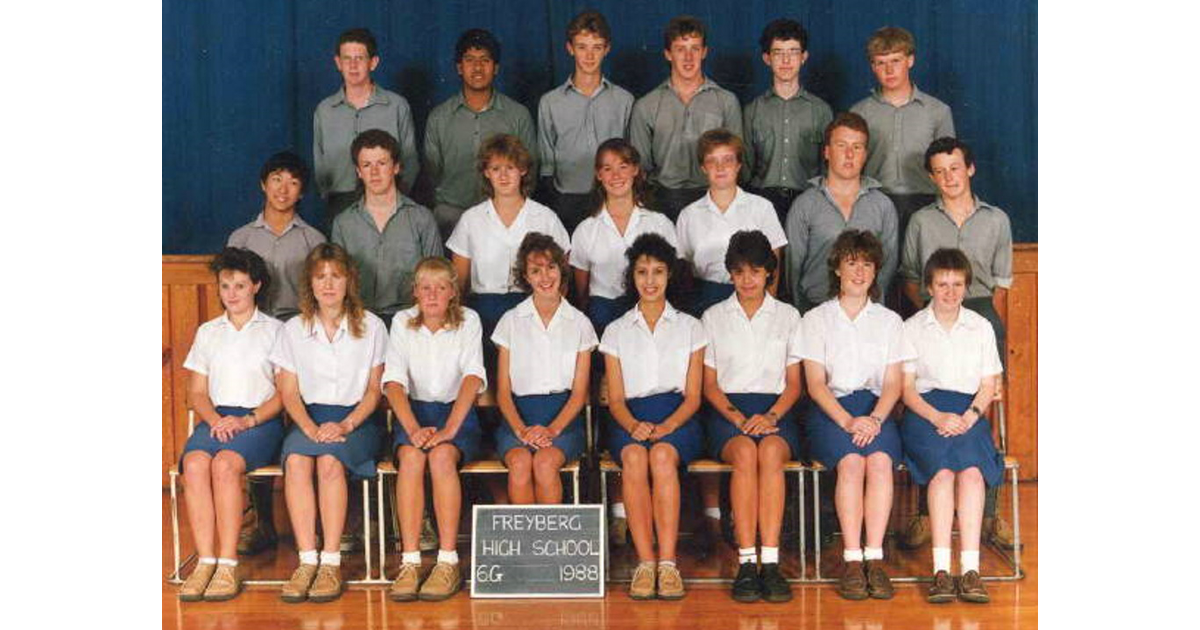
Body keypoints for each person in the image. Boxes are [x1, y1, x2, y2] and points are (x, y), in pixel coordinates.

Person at [898, 137, 1015, 551]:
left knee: (987, 412)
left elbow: (1000, 286)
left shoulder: (996, 219)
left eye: (955, 168)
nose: (949, 177)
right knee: (935, 417)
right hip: (934, 312)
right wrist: (937, 314)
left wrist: (975, 316)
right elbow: (912, 276)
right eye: (940, 170)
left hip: (980, 313)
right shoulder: (921, 221)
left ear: (970, 169)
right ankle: (929, 515)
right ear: (931, 176)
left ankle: (989, 515)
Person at [271, 243, 388, 603]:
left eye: (335, 276)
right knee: (296, 460)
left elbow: (373, 391)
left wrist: (346, 425)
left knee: (329, 462)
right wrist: (308, 428)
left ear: (349, 280)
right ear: (310, 282)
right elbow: (289, 393)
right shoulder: (293, 329)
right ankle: (307, 561)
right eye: (320, 277)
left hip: (358, 420)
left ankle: (330, 562)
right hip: (310, 418)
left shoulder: (372, 326)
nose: (328, 284)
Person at [226, 151, 326, 556]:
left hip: (302, 336)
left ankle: (315, 525)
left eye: (293, 182)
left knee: (306, 421)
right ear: (263, 185)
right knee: (260, 420)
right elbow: (232, 296)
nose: (284, 190)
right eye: (276, 180)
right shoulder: (242, 238)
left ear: (302, 191)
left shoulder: (313, 239)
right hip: (259, 337)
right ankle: (263, 521)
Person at [800, 230, 906, 601]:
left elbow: (893, 383)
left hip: (876, 409)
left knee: (878, 462)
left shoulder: (890, 321)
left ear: (876, 271)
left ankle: (873, 559)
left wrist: (875, 419)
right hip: (832, 410)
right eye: (851, 263)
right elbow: (814, 384)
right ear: (837, 269)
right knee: (850, 463)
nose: (859, 272)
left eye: (866, 264)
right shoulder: (815, 319)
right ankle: (850, 558)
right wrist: (847, 421)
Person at [600, 233, 706, 600]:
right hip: (629, 417)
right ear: (632, 277)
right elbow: (614, 398)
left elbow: (694, 396)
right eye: (642, 271)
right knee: (633, 457)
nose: (650, 280)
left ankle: (668, 563)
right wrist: (633, 425)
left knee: (661, 456)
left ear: (670, 276)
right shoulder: (615, 331)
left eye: (658, 271)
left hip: (678, 418)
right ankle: (645, 563)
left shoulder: (691, 326)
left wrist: (667, 426)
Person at [700, 230, 803, 603]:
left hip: (777, 410)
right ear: (730, 273)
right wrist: (739, 418)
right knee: (745, 453)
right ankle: (746, 562)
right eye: (740, 271)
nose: (747, 280)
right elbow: (709, 386)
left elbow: (794, 384)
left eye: (756, 271)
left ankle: (771, 562)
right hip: (727, 413)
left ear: (769, 274)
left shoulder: (789, 316)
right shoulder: (712, 317)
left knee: (770, 454)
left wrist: (770, 416)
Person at [178, 248, 284, 602]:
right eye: (225, 286)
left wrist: (248, 419)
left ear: (256, 285)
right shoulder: (209, 332)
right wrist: (216, 421)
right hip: (217, 417)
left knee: (224, 465)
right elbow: (196, 392)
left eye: (240, 285)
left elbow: (286, 394)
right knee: (194, 464)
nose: (232, 293)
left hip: (259, 420)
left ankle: (227, 563)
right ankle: (205, 561)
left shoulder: (276, 331)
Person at [899, 248, 1004, 604]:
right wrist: (937, 417)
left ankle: (971, 570)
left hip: (969, 411)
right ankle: (941, 571)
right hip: (925, 413)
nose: (950, 291)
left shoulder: (981, 326)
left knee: (972, 474)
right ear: (928, 286)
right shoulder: (912, 328)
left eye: (957, 284)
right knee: (943, 474)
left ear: (966, 286)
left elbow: (988, 384)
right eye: (942, 284)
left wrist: (970, 417)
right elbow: (906, 389)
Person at [383, 257, 487, 603]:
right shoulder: (401, 322)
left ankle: (447, 561)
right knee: (411, 460)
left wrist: (450, 428)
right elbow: (394, 382)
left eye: (441, 287)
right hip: (414, 413)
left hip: (457, 411)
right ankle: (411, 562)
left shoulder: (468, 321)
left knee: (442, 458)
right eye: (425, 287)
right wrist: (412, 429)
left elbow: (473, 377)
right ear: (414, 292)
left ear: (453, 293)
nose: (432, 294)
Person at [447, 134, 571, 370]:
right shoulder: (471, 220)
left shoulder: (544, 217)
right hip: (484, 309)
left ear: (522, 170)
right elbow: (459, 282)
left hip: (532, 306)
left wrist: (549, 314)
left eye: (510, 168)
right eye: (495, 168)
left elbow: (562, 276)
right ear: (486, 172)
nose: (503, 176)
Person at [492, 233, 597, 504]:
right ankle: (526, 545)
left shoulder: (580, 323)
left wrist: (552, 431)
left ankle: (551, 545)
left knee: (544, 463)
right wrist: (521, 431)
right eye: (535, 271)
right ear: (525, 277)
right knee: (519, 462)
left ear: (561, 269)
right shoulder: (510, 321)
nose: (545, 277)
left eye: (551, 267)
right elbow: (503, 392)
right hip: (517, 420)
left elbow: (579, 393)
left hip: (563, 421)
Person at [425, 28, 538, 239]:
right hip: (452, 215)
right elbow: (432, 173)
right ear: (459, 67)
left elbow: (530, 169)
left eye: (485, 60)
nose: (477, 68)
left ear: (496, 68)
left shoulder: (517, 115)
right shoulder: (439, 117)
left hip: (505, 212)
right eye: (469, 60)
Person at [630, 15, 743, 220]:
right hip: (662, 201)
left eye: (695, 48)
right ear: (668, 54)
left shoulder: (726, 101)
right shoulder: (646, 106)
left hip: (714, 199)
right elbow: (640, 168)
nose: (688, 58)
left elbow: (738, 160)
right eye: (680, 49)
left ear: (704, 52)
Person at [785, 113, 898, 314]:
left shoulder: (883, 206)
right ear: (827, 152)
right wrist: (801, 314)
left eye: (857, 147)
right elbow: (792, 269)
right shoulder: (805, 205)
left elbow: (887, 266)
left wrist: (874, 310)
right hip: (815, 309)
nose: (849, 154)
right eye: (841, 145)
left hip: (867, 314)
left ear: (865, 154)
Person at [331, 129, 443, 325]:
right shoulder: (343, 223)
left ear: (396, 167)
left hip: (411, 321)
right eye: (367, 165)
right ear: (358, 171)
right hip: (360, 321)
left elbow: (438, 277)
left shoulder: (422, 218)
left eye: (382, 163)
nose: (374, 172)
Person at [849, 26, 954, 234]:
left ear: (910, 60)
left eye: (896, 61)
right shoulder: (859, 112)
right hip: (874, 204)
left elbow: (948, 168)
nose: (889, 70)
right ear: (872, 67)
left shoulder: (938, 111)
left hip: (926, 204)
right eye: (881, 63)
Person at [537, 10, 634, 234]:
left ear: (607, 49)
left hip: (613, 198)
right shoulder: (550, 102)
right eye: (582, 47)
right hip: (566, 201)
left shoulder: (624, 100)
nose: (589, 56)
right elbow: (546, 166)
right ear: (570, 48)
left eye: (597, 47)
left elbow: (631, 157)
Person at [313, 28, 420, 228]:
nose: (353, 66)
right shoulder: (324, 110)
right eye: (347, 59)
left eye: (360, 58)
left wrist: (395, 198)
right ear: (338, 63)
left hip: (388, 202)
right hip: (340, 203)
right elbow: (320, 163)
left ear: (373, 63)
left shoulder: (396, 106)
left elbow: (410, 159)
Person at [571, 138, 677, 337]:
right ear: (599, 174)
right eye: (608, 168)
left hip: (650, 312)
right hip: (602, 315)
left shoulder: (660, 223)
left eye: (623, 166)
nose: (616, 175)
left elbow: (672, 275)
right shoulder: (585, 230)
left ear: (635, 170)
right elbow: (582, 292)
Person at [677, 129, 787, 317]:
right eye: (712, 160)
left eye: (727, 160)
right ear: (703, 167)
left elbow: (774, 263)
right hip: (704, 300)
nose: (720, 168)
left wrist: (768, 309)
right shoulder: (688, 215)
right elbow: (682, 270)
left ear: (738, 165)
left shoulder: (762, 208)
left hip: (752, 296)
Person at [743, 18, 833, 225]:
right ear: (766, 58)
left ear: (804, 57)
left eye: (793, 52)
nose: (786, 60)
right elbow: (745, 169)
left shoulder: (821, 111)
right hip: (761, 202)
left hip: (808, 201)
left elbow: (827, 168)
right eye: (778, 52)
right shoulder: (753, 110)